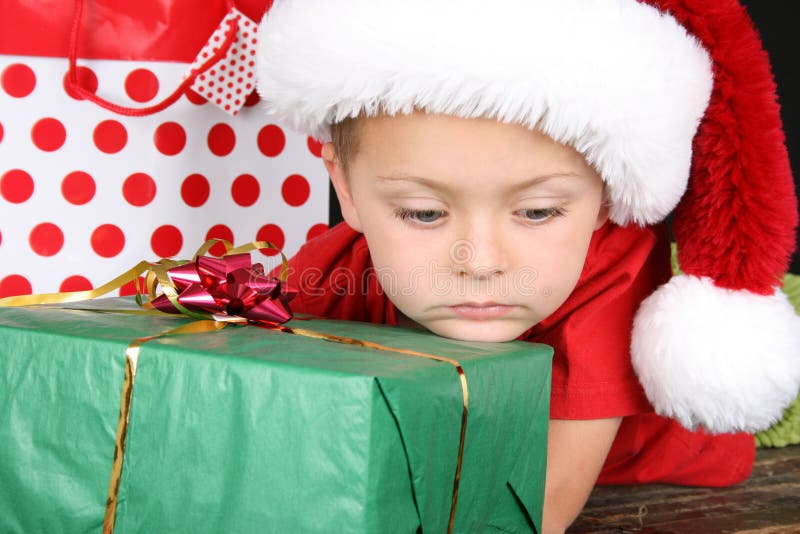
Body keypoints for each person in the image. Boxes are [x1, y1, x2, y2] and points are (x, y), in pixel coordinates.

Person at [255, 0, 800, 531]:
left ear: (605, 196)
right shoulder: (330, 272)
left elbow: (532, 513)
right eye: (424, 213)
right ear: (346, 188)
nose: (482, 261)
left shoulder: (612, 273)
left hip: (644, 465)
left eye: (537, 212)